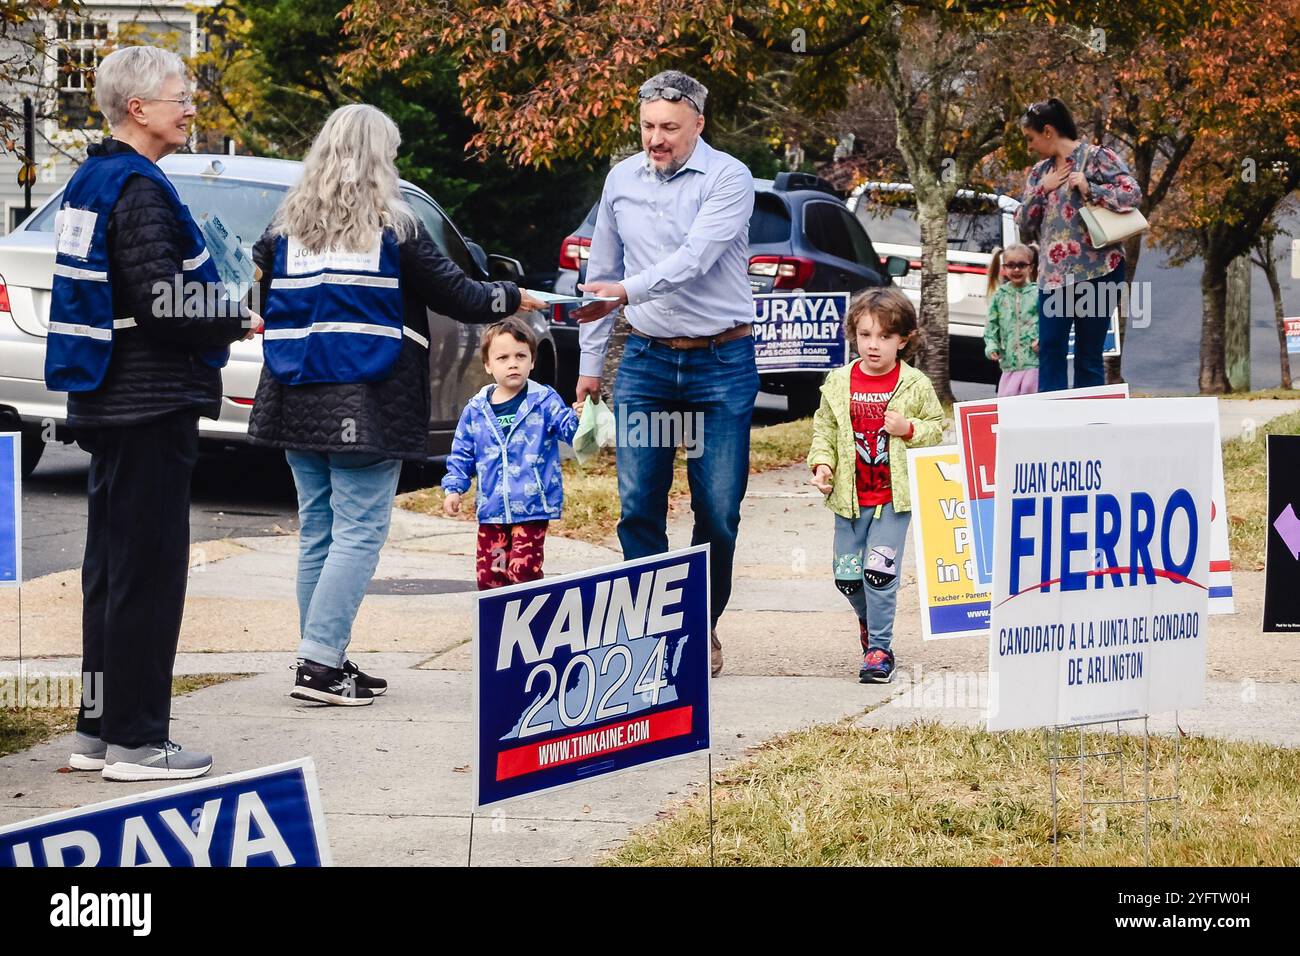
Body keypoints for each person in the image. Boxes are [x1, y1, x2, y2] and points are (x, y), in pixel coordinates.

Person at [247, 104, 543, 706]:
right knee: (358, 532)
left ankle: (322, 656)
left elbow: (259, 290)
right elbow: (461, 295)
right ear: (380, 158)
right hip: (367, 398)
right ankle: (320, 663)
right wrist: (520, 295)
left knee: (320, 533)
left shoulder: (284, 231)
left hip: (294, 394)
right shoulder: (394, 229)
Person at [45, 46, 259, 781]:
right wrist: (236, 317)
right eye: (179, 94)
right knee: (149, 571)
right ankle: (139, 742)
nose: (190, 104)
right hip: (150, 401)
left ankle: (98, 731)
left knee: (111, 568)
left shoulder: (92, 179)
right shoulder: (139, 188)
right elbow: (162, 300)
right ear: (138, 108)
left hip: (106, 398)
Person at [571, 70, 756, 677]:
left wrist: (624, 291)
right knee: (638, 504)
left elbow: (696, 260)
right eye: (648, 126)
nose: (657, 138)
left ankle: (700, 626)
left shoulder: (728, 177)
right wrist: (590, 364)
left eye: (670, 128)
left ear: (699, 124)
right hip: (648, 361)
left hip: (721, 363)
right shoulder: (621, 178)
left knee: (718, 509)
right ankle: (655, 630)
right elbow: (601, 270)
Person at [807, 288, 945, 684]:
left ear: (904, 339)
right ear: (854, 334)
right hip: (848, 500)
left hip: (891, 500)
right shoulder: (838, 382)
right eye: (866, 334)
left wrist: (910, 429)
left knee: (879, 574)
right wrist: (822, 464)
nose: (873, 345)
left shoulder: (914, 384)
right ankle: (869, 623)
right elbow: (825, 429)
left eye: (885, 337)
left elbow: (936, 428)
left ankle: (879, 649)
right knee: (848, 576)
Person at [442, 318, 580, 589]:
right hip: (492, 509)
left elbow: (569, 432)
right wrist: (453, 489)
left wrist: (579, 418)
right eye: (503, 357)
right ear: (488, 365)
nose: (513, 363)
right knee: (490, 577)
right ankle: (496, 629)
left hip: (532, 507)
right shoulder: (476, 409)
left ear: (532, 361)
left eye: (520, 356)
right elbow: (461, 454)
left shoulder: (544, 401)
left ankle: (531, 623)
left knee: (523, 570)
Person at [1014, 97, 1141, 392]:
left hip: (1099, 270)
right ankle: (1054, 426)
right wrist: (1040, 191)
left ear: (1048, 131)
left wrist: (1090, 188)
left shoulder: (1097, 157)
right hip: (1054, 278)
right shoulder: (1038, 173)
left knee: (1089, 355)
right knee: (1050, 349)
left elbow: (1132, 194)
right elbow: (1023, 226)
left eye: (1031, 138)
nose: (1029, 146)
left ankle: (1089, 427)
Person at [984, 243, 1041, 396]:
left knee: (1032, 396)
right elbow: (991, 325)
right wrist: (991, 345)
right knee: (1007, 400)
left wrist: (1042, 339)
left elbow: (1047, 322)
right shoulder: (999, 296)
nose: (1016, 270)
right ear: (1004, 267)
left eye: (1022, 265)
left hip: (1033, 362)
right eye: (1011, 265)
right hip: (1009, 363)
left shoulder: (1037, 294)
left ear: (1030, 267)